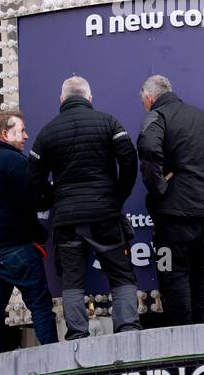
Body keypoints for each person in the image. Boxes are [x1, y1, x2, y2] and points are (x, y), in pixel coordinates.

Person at [27, 76, 142, 339]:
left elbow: (33, 178)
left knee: (72, 279)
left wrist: (52, 198)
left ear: (62, 100)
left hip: (67, 218)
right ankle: (128, 329)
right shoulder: (109, 122)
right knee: (121, 272)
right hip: (105, 214)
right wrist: (116, 196)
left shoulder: (47, 132)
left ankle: (77, 335)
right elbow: (128, 160)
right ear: (89, 98)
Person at [136, 75, 204, 326]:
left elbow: (150, 150)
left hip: (170, 220)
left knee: (169, 274)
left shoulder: (156, 116)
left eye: (144, 101)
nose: (144, 105)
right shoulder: (201, 116)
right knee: (202, 276)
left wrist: (159, 187)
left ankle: (182, 340)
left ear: (150, 98)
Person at [0, 109, 57, 355]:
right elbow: (30, 200)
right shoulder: (16, 162)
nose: (26, 136)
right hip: (18, 246)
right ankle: (53, 356)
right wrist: (39, 232)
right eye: (21, 131)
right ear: (6, 133)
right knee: (39, 305)